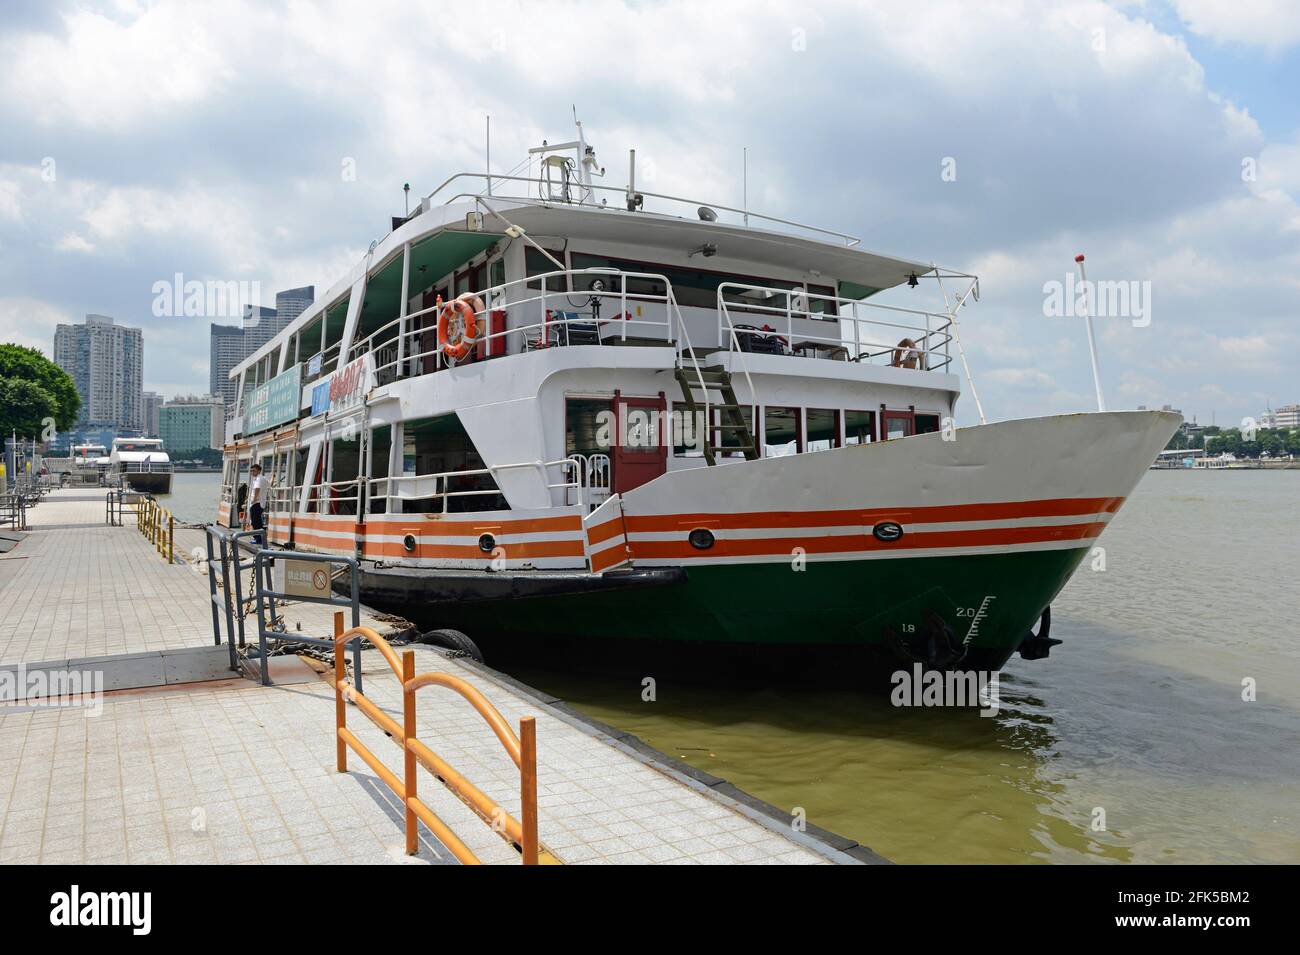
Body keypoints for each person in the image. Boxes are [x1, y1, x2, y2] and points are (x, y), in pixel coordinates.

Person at [247, 463, 266, 545]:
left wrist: (253, 500)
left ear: (259, 470)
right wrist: (273, 477)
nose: (252, 472)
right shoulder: (263, 478)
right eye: (251, 471)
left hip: (256, 503)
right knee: (258, 521)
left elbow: (257, 489)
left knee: (255, 522)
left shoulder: (258, 479)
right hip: (260, 503)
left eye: (254, 470)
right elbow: (270, 484)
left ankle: (258, 539)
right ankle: (261, 538)